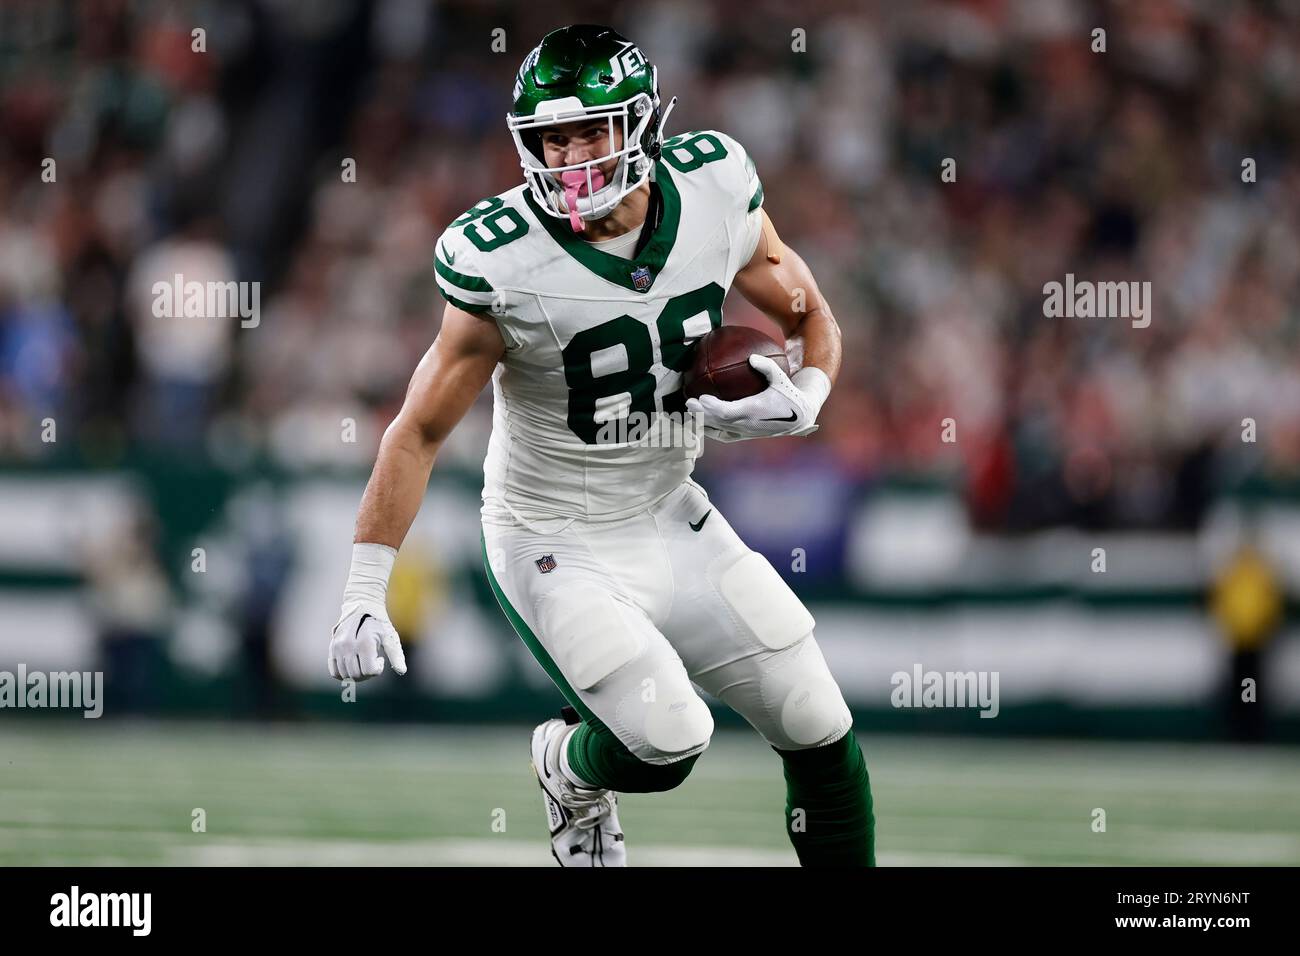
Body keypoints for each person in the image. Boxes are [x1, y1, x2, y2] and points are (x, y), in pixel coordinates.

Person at [327, 24, 874, 867]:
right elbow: (420, 429)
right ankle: (564, 765)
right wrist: (367, 580)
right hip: (554, 534)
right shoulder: (499, 259)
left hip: (669, 510)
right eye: (552, 137)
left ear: (643, 125)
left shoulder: (715, 188)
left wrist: (806, 399)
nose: (571, 155)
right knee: (667, 736)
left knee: (817, 719)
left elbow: (809, 315)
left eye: (592, 130)